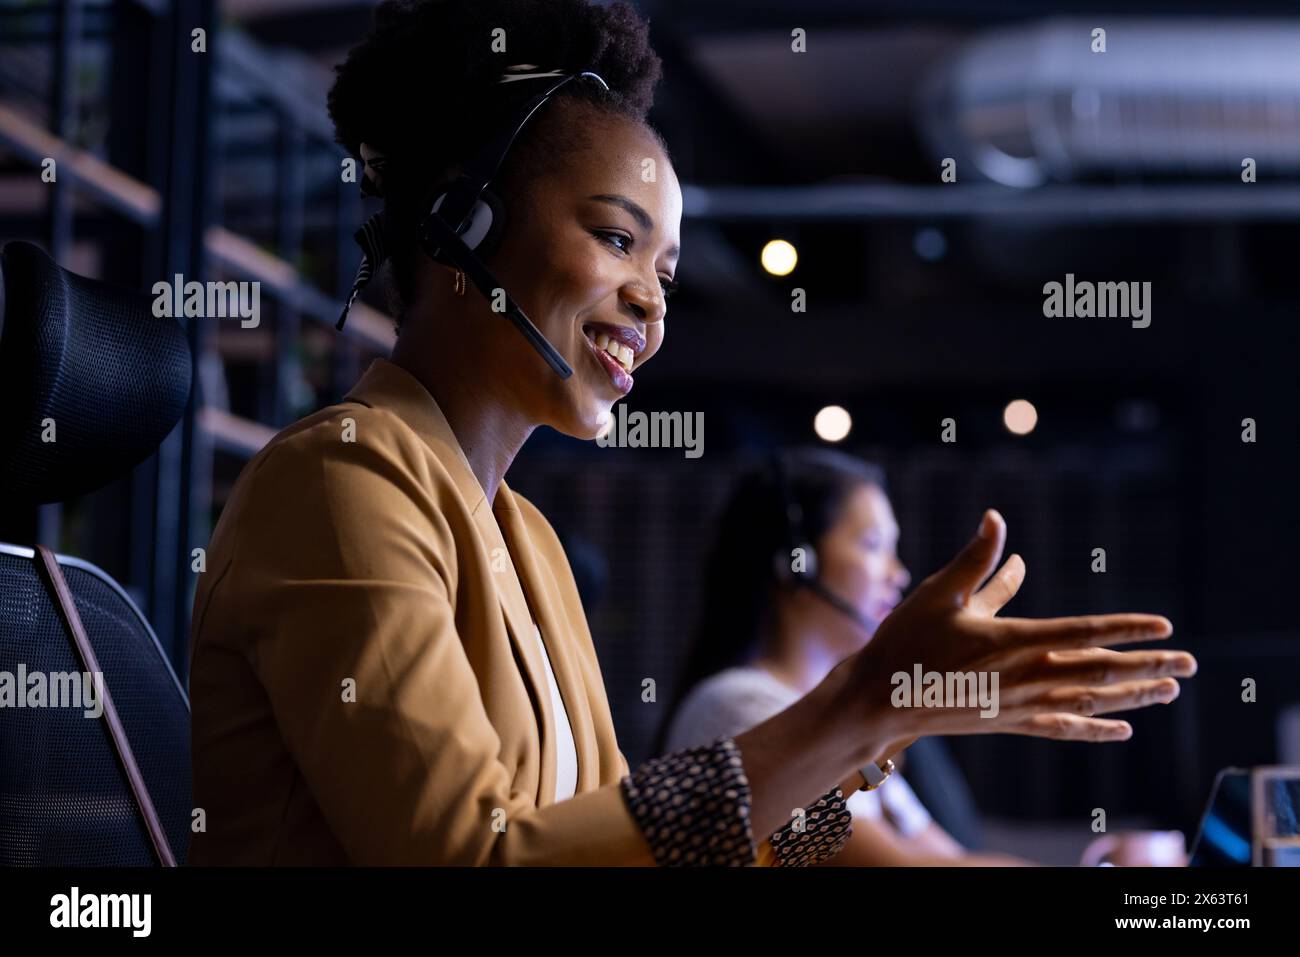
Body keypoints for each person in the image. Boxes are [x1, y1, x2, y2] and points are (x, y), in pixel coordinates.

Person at [187, 0, 1195, 867]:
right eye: (615, 238)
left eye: (665, 272)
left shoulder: (527, 540)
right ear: (463, 224)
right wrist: (857, 704)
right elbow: (474, 857)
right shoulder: (345, 479)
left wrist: (883, 726)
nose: (650, 302)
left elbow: (635, 841)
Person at [661, 450, 1189, 866]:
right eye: (873, 545)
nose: (899, 573)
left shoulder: (848, 721)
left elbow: (950, 858)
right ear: (796, 562)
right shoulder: (736, 707)